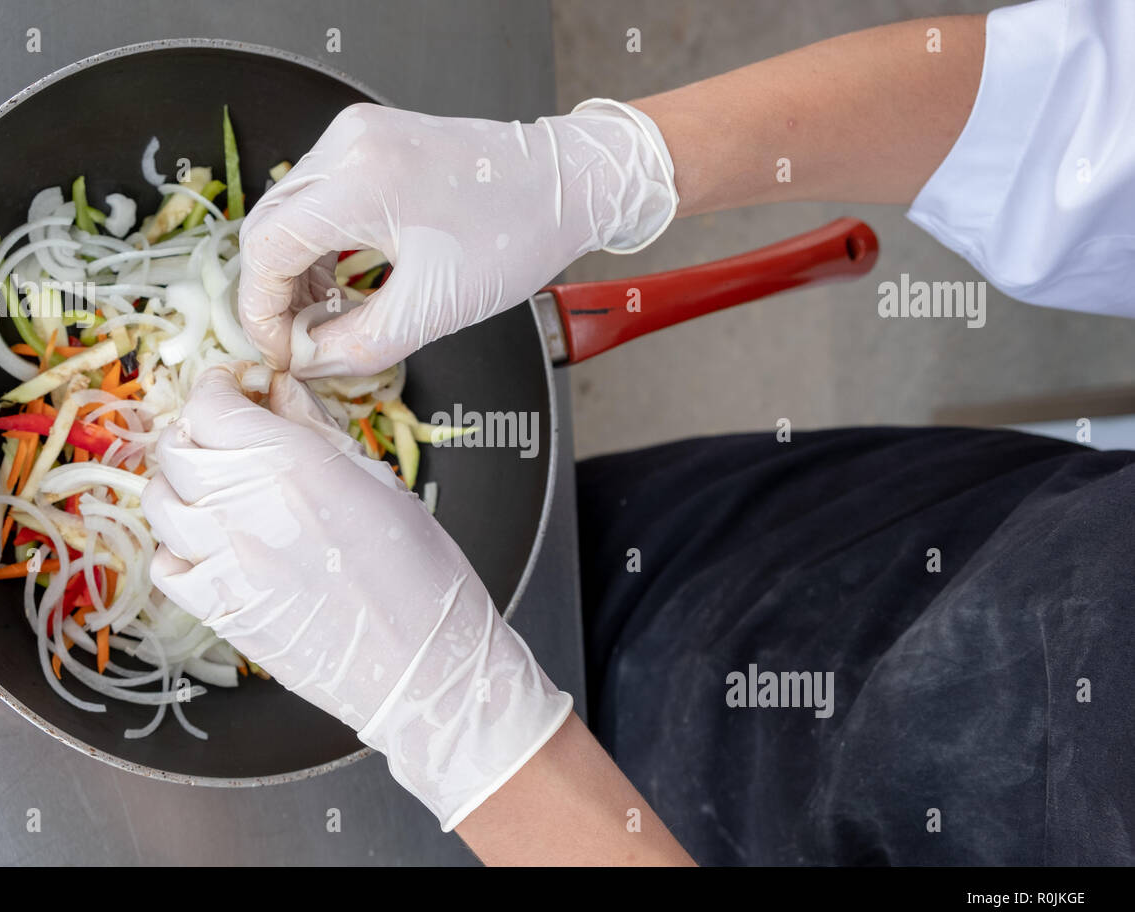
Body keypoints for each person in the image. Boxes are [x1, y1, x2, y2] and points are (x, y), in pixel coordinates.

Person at [142, 0, 1135, 866]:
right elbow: (1088, 116)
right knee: (609, 554)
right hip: (955, 540)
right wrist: (612, 162)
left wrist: (469, 734)